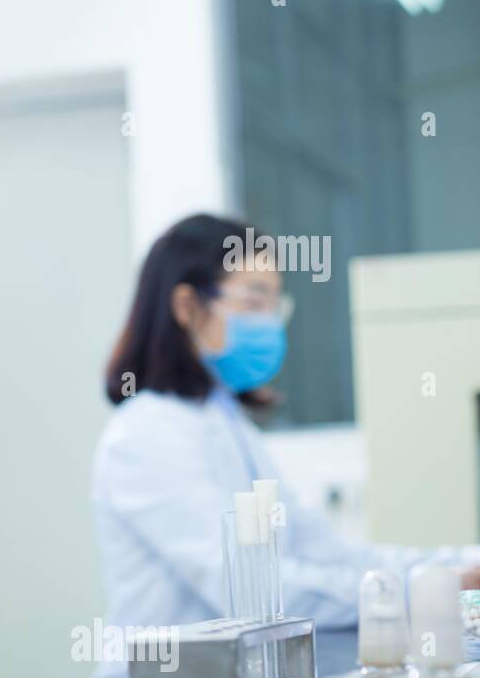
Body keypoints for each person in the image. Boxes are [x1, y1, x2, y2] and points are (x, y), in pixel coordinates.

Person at [91, 214, 477, 638]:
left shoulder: (226, 422)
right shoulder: (147, 434)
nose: (269, 323)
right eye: (254, 303)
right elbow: (252, 593)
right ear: (186, 306)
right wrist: (426, 589)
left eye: (275, 306)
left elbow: (326, 552)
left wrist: (458, 567)